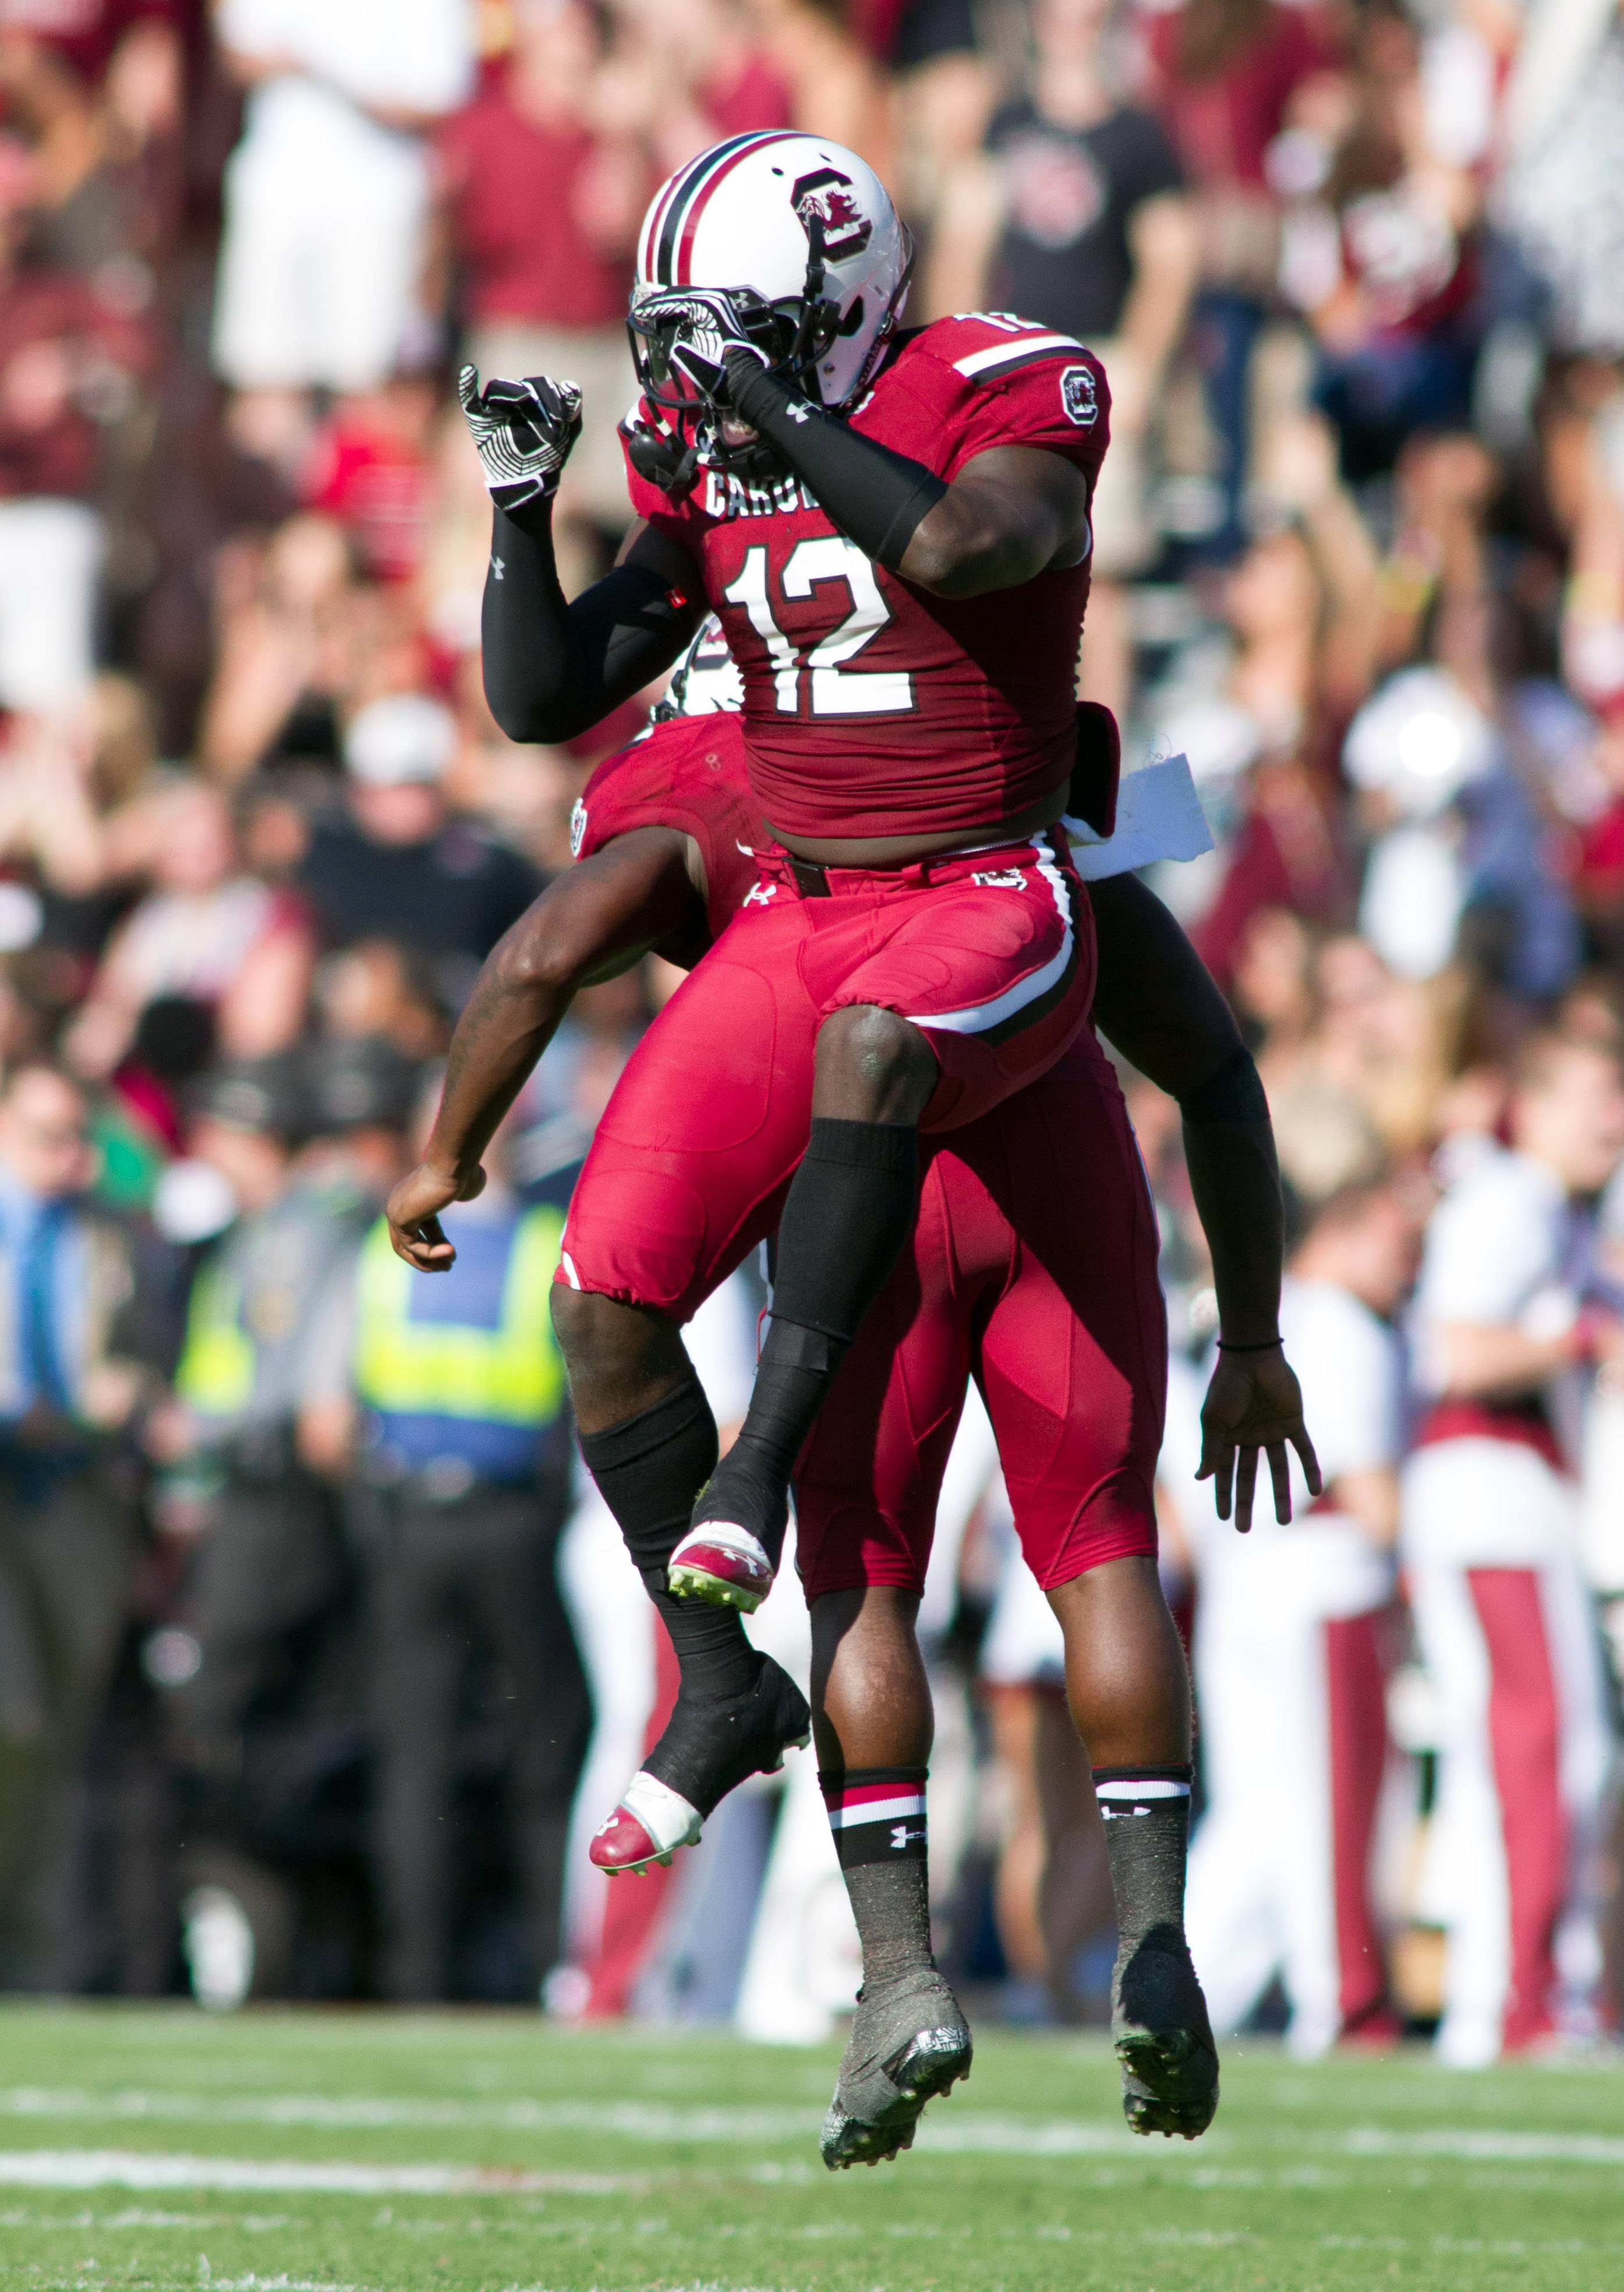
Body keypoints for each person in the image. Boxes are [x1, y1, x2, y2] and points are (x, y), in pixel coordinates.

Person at [388, 658, 1319, 2160]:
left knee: (860, 1580)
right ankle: (1154, 1943)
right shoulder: (1031, 841)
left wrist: (445, 1150)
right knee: (1101, 1555)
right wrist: (1255, 1336)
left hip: (867, 1218)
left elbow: (541, 949)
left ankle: (897, 1976)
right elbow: (1215, 1075)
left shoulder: (743, 810)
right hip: (1067, 1191)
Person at [321, 1125, 589, 2002]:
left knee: (417, 1758)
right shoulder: (545, 1245)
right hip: (515, 1523)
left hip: (409, 1523)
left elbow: (329, 1416)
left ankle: (417, 1977)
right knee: (546, 1747)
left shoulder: (379, 1248)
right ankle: (552, 1962)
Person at [1401, 1031, 1623, 2063]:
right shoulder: (1514, 1200)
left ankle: (1519, 1993)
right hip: (1490, 1485)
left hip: (1513, 1494)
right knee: (1540, 1744)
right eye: (1596, 1094)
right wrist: (1581, 1337)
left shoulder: (1551, 1208)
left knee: (1550, 1749)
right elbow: (1457, 1350)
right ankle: (1520, 2001)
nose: (1612, 1119)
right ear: (1529, 1104)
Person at [1175, 1178, 1418, 2057]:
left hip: (1242, 1583)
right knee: (1329, 1806)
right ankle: (1343, 1998)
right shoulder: (1343, 1324)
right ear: (1341, 1230)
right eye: (1396, 1241)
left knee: (1259, 1811)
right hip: (1322, 1587)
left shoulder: (1248, 1320)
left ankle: (1180, 1989)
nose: (1408, 1263)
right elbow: (1373, 1494)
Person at [924, 0, 1200, 711]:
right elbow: (962, 243)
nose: (1074, 28)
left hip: (1094, 369)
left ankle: (1102, 743)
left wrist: (1137, 370)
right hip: (1012, 367)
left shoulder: (1138, 135)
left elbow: (1170, 261)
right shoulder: (1004, 124)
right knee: (1005, 563)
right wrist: (954, 363)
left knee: (1100, 576)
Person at [154, 1055, 367, 1841]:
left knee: (224, 1697)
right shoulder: (262, 1227)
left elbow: (280, 1382)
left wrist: (195, 1429)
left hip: (270, 1497)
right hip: (239, 1488)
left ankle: (227, 1861)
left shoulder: (299, 1232)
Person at [0, 1062, 150, 1984]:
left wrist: (127, 1394)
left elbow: (134, 1349)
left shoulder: (104, 1234)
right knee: (11, 1717)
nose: (70, 1157)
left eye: (78, 1137)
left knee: (59, 1731)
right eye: (48, 1136)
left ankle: (36, 1955)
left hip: (73, 1496)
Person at [210, 0, 473, 456]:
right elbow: (237, 50)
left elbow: (440, 97)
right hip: (278, 192)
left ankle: (346, 498)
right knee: (267, 381)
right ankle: (272, 498)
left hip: (377, 203)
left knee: (366, 393)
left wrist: (332, 74)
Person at [295, 693, 543, 1010]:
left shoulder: (489, 867)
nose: (403, 801)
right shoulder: (323, 857)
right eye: (389, 786)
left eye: (416, 784)